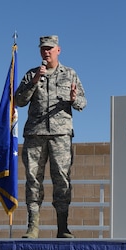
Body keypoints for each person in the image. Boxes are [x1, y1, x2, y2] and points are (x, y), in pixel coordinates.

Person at [14, 35, 86, 239]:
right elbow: (19, 100)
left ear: (58, 50)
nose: (46, 52)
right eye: (43, 49)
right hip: (35, 134)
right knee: (33, 179)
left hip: (60, 135)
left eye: (50, 48)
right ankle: (33, 226)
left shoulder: (70, 74)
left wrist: (74, 99)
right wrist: (35, 80)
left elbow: (83, 102)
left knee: (62, 179)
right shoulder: (32, 74)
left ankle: (63, 227)